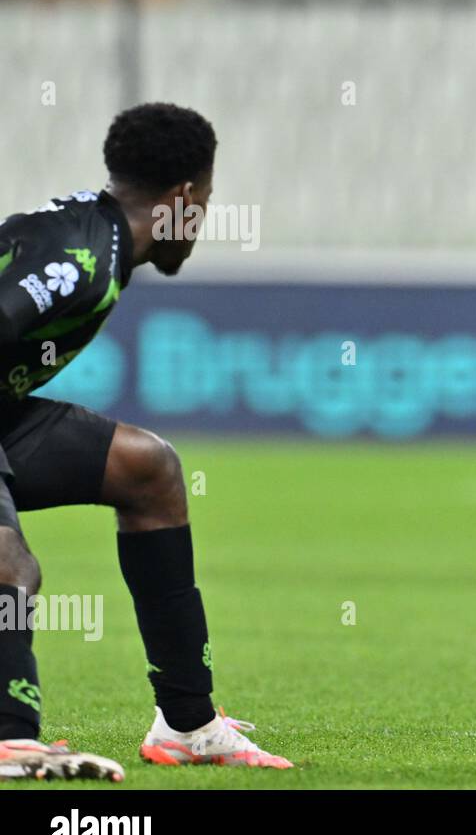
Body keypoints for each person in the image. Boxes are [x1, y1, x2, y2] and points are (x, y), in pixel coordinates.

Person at [0, 103, 292, 781]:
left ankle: (189, 724)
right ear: (183, 199)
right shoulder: (80, 264)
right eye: (207, 202)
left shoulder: (94, 236)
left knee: (147, 468)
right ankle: (10, 740)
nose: (204, 220)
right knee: (9, 567)